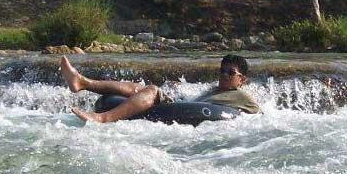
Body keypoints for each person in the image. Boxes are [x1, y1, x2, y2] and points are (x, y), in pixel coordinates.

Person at [60, 54, 261, 123]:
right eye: (222, 70)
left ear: (242, 80)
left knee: (153, 90)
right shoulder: (213, 90)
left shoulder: (243, 97)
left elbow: (262, 117)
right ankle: (83, 82)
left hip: (185, 112)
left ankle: (103, 118)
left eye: (230, 72)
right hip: (180, 106)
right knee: (141, 88)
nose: (224, 75)